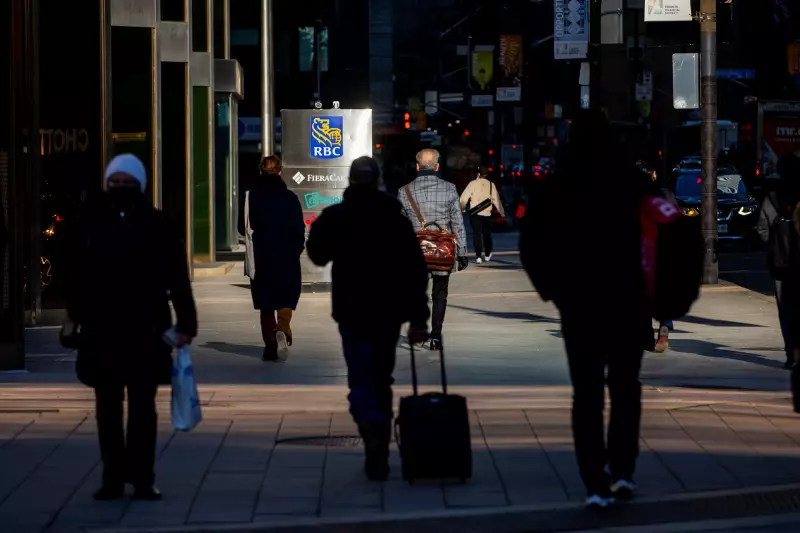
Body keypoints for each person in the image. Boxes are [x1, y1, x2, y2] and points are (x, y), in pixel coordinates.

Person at [521, 109, 659, 508]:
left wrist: (553, 290)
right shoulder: (634, 184)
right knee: (626, 388)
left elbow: (532, 244)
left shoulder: (556, 186)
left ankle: (594, 478)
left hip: (579, 301)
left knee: (586, 393)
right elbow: (665, 236)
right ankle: (624, 470)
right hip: (628, 299)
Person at [63, 154, 197, 501]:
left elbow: (176, 278)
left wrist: (186, 323)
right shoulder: (95, 223)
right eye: (116, 181)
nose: (120, 187)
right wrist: (75, 314)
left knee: (137, 408)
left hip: (139, 330)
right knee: (113, 409)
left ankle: (137, 477)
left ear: (139, 184)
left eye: (127, 181)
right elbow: (77, 277)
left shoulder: (152, 224)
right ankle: (118, 477)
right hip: (112, 330)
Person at [306, 156, 429, 481]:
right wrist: (420, 318)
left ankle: (371, 429)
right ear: (377, 181)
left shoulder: (337, 216)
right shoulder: (394, 217)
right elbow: (415, 270)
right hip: (388, 312)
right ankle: (379, 433)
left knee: (360, 376)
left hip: (352, 310)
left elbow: (317, 253)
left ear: (351, 180)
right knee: (381, 377)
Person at [398, 149, 468, 351]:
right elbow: (457, 222)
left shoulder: (405, 191)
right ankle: (436, 337)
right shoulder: (450, 189)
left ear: (417, 166)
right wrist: (462, 251)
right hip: (442, 251)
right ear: (437, 167)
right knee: (440, 293)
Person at [238, 156, 305, 362]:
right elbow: (299, 230)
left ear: (261, 171)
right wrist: (295, 249)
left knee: (266, 304)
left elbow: (242, 228)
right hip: (287, 257)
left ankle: (270, 346)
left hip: (261, 256)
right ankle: (283, 328)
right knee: (286, 299)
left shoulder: (251, 197)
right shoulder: (290, 198)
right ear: (280, 171)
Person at [757, 151, 800, 369]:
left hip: (781, 263)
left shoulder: (772, 198)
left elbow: (762, 229)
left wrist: (774, 246)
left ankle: (790, 350)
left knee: (785, 308)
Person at [460, 166, 505, 263]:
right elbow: (496, 199)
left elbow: (463, 198)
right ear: (486, 175)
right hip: (487, 213)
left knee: (477, 234)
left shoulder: (472, 184)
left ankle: (478, 256)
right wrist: (502, 212)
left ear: (478, 174)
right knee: (487, 234)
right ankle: (487, 254)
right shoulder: (491, 185)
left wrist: (463, 208)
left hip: (475, 212)